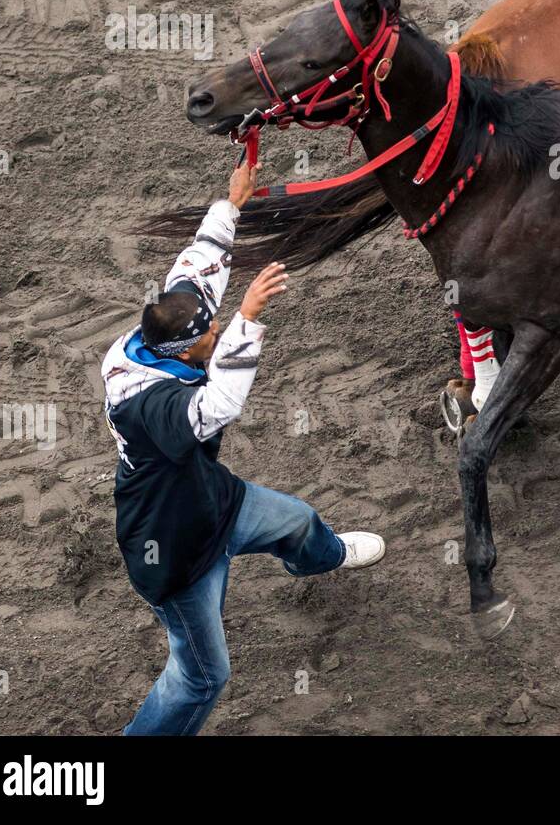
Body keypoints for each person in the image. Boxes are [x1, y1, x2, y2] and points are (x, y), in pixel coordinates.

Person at [102, 162, 385, 736]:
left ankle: (324, 558)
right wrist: (248, 320)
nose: (216, 335)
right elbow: (218, 407)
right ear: (184, 352)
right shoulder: (149, 406)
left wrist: (230, 205)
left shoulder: (160, 333)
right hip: (175, 552)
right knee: (203, 678)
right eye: (210, 337)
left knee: (300, 522)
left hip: (214, 502)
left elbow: (195, 271)